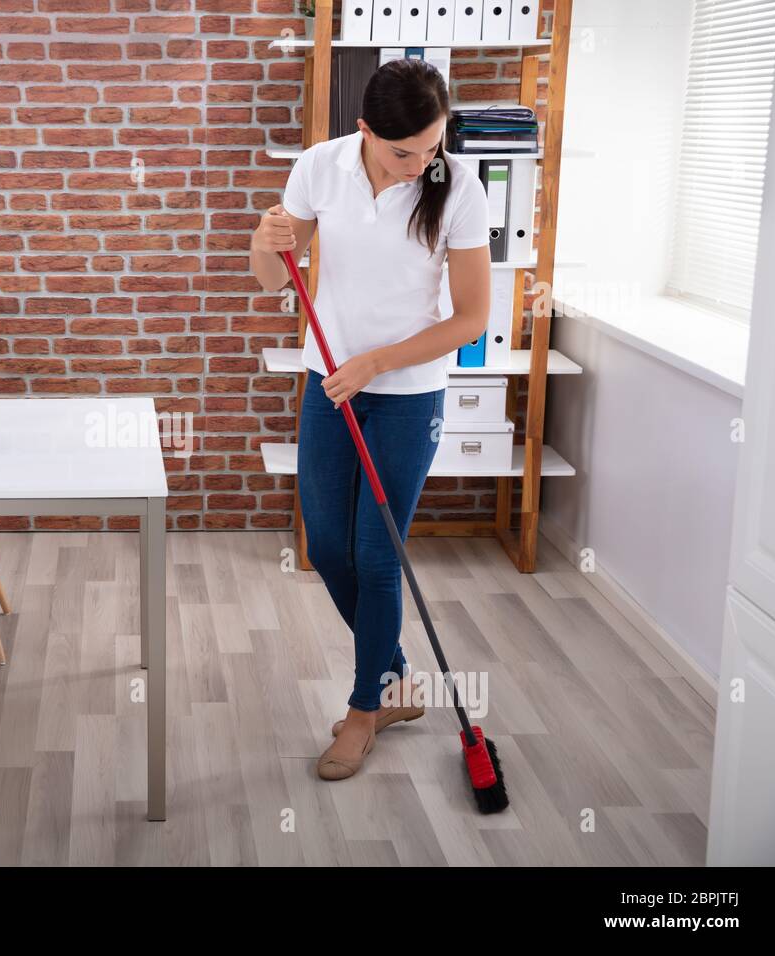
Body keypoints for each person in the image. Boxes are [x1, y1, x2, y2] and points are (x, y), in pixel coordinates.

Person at [250, 58, 492, 781]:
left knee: (377, 556)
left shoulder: (459, 188)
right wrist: (268, 243)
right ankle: (396, 679)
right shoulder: (320, 167)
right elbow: (274, 282)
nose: (421, 164)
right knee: (327, 547)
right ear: (364, 132)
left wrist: (378, 363)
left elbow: (473, 319)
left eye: (432, 146)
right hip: (329, 380)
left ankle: (365, 708)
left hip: (406, 391)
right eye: (403, 152)